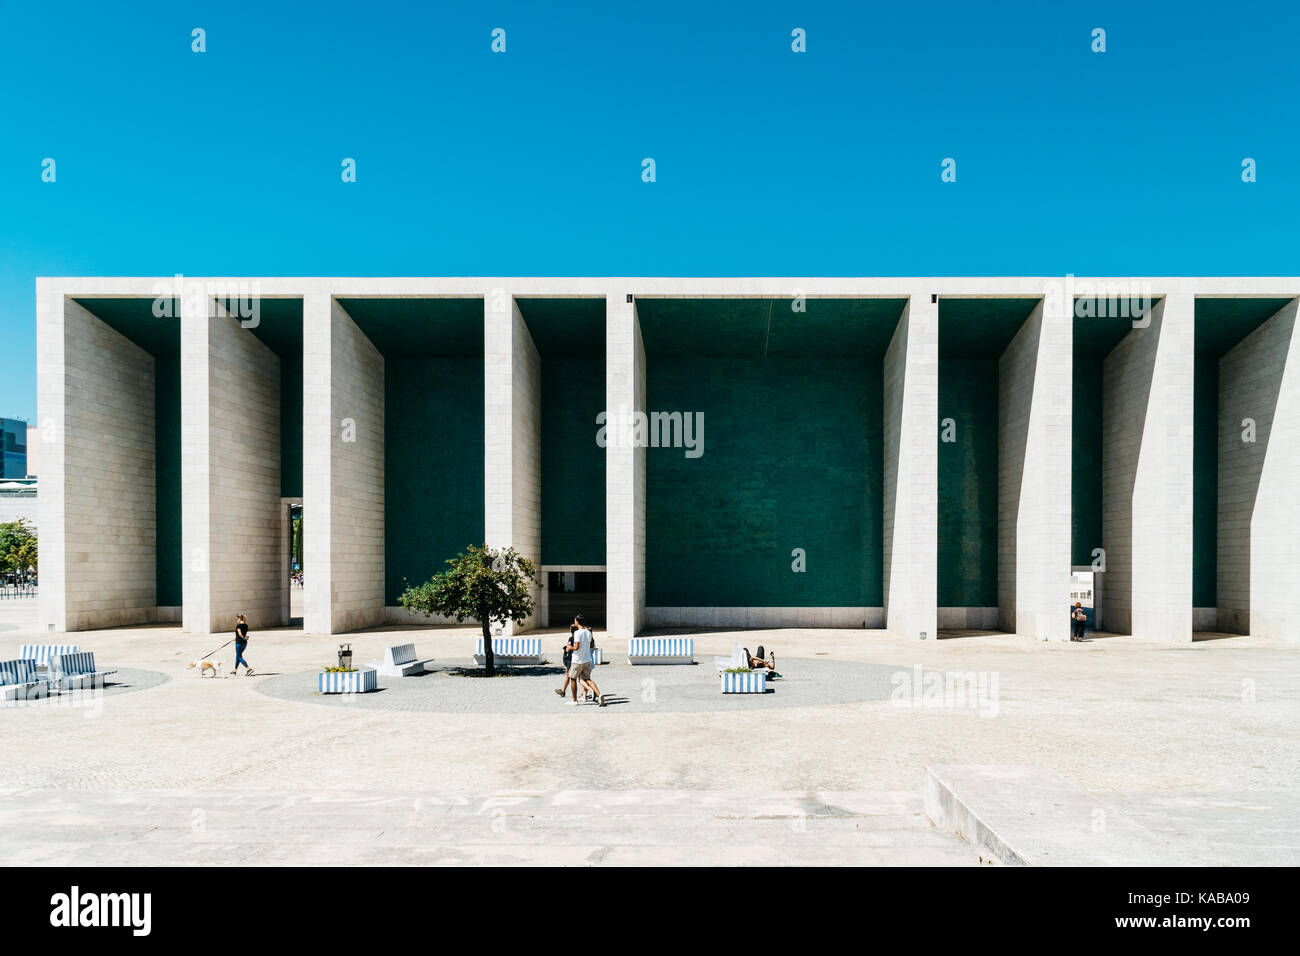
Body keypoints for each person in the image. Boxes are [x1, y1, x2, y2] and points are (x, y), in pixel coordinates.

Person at [567, 614, 605, 706]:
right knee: (587, 679)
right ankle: (599, 694)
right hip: (587, 659)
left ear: (577, 622)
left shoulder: (577, 633)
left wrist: (569, 648)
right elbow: (590, 645)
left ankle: (574, 700)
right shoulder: (588, 632)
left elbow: (576, 647)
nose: (574, 622)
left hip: (577, 660)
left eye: (575, 620)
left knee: (572, 678)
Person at [555, 624, 579, 699]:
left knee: (568, 676)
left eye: (570, 627)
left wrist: (567, 648)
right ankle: (585, 692)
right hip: (577, 658)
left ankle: (563, 691)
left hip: (570, 659)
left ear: (572, 630)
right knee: (580, 677)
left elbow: (568, 648)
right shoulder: (578, 638)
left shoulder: (571, 638)